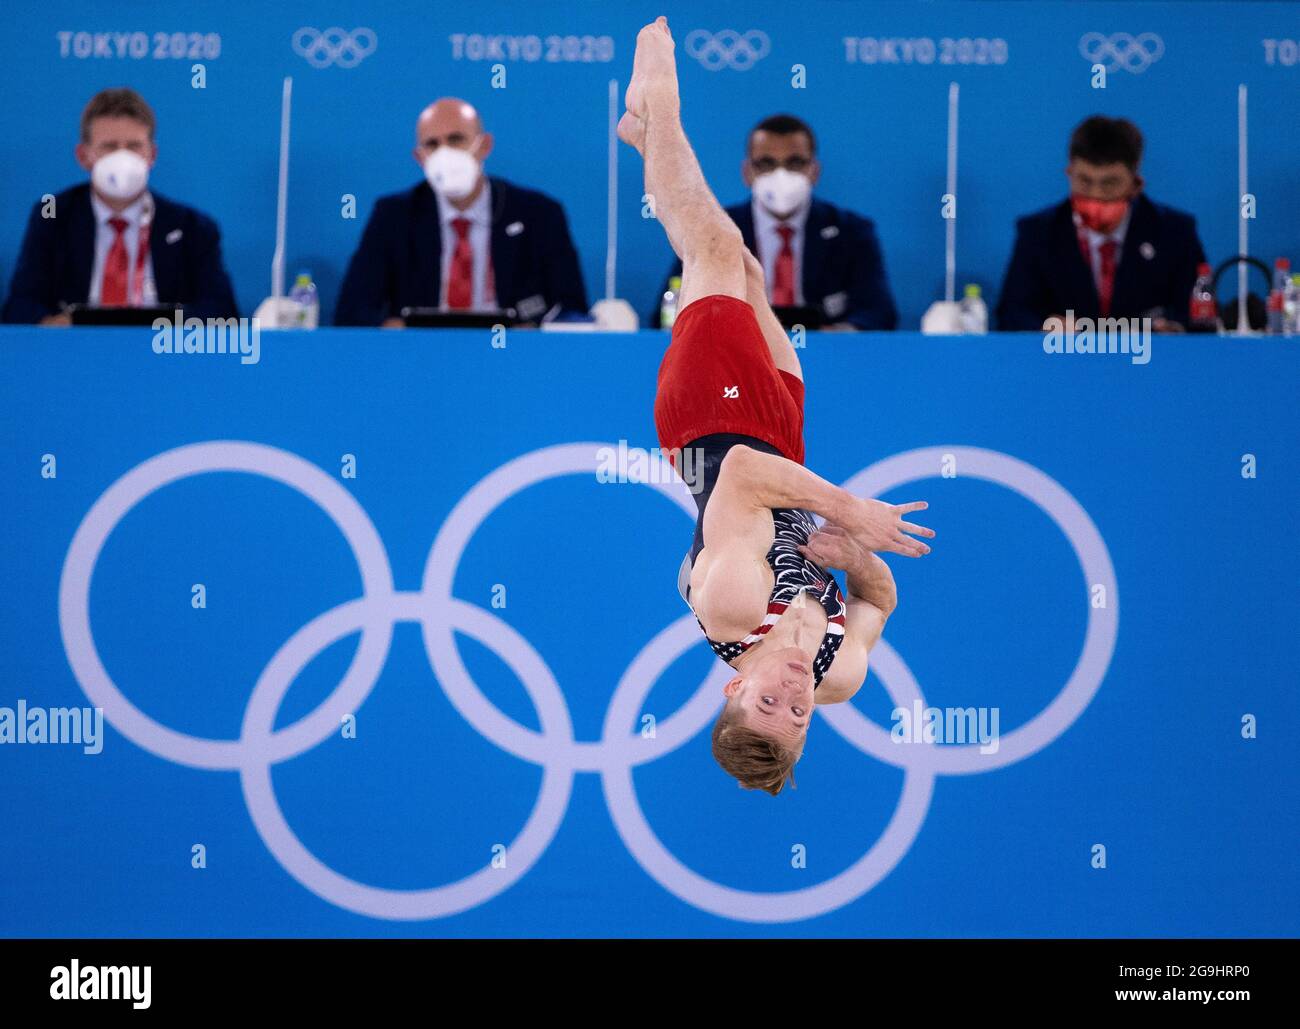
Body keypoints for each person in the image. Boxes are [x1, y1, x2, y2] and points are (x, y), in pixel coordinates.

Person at [621, 17, 935, 795]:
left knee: (716, 250)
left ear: (733, 688)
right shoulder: (841, 676)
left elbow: (740, 476)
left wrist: (852, 512)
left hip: (707, 424)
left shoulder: (733, 605)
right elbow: (880, 597)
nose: (793, 695)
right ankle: (646, 141)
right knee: (752, 269)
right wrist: (857, 558)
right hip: (782, 437)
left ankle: (656, 97)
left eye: (768, 701)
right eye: (795, 716)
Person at [334, 97, 588, 326]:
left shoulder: (538, 214)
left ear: (484, 146)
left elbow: (571, 308)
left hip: (513, 358)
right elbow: (353, 310)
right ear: (420, 158)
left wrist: (533, 329)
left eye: (456, 140)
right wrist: (394, 328)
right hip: (421, 357)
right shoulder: (394, 216)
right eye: (433, 144)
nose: (445, 152)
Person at [2, 87, 238, 324]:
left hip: (162, 352)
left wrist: (176, 325)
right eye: (110, 147)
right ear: (83, 156)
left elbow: (221, 310)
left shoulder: (192, 227)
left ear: (152, 155)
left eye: (134, 146)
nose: (122, 158)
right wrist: (53, 324)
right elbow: (21, 305)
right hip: (78, 351)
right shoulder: (53, 216)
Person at [648, 112, 898, 330]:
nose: (781, 175)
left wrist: (833, 334)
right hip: (739, 360)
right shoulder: (713, 230)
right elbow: (668, 311)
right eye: (766, 164)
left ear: (814, 171)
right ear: (747, 172)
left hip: (827, 358)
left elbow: (879, 313)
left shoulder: (851, 232)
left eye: (795, 163)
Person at [995, 115, 1206, 332]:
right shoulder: (1037, 232)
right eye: (1085, 181)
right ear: (1069, 174)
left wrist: (1171, 328)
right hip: (1063, 361)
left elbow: (1200, 317)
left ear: (1136, 184)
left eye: (1110, 184)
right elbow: (1012, 313)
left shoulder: (1176, 233)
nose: (1096, 195)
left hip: (1149, 361)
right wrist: (1046, 326)